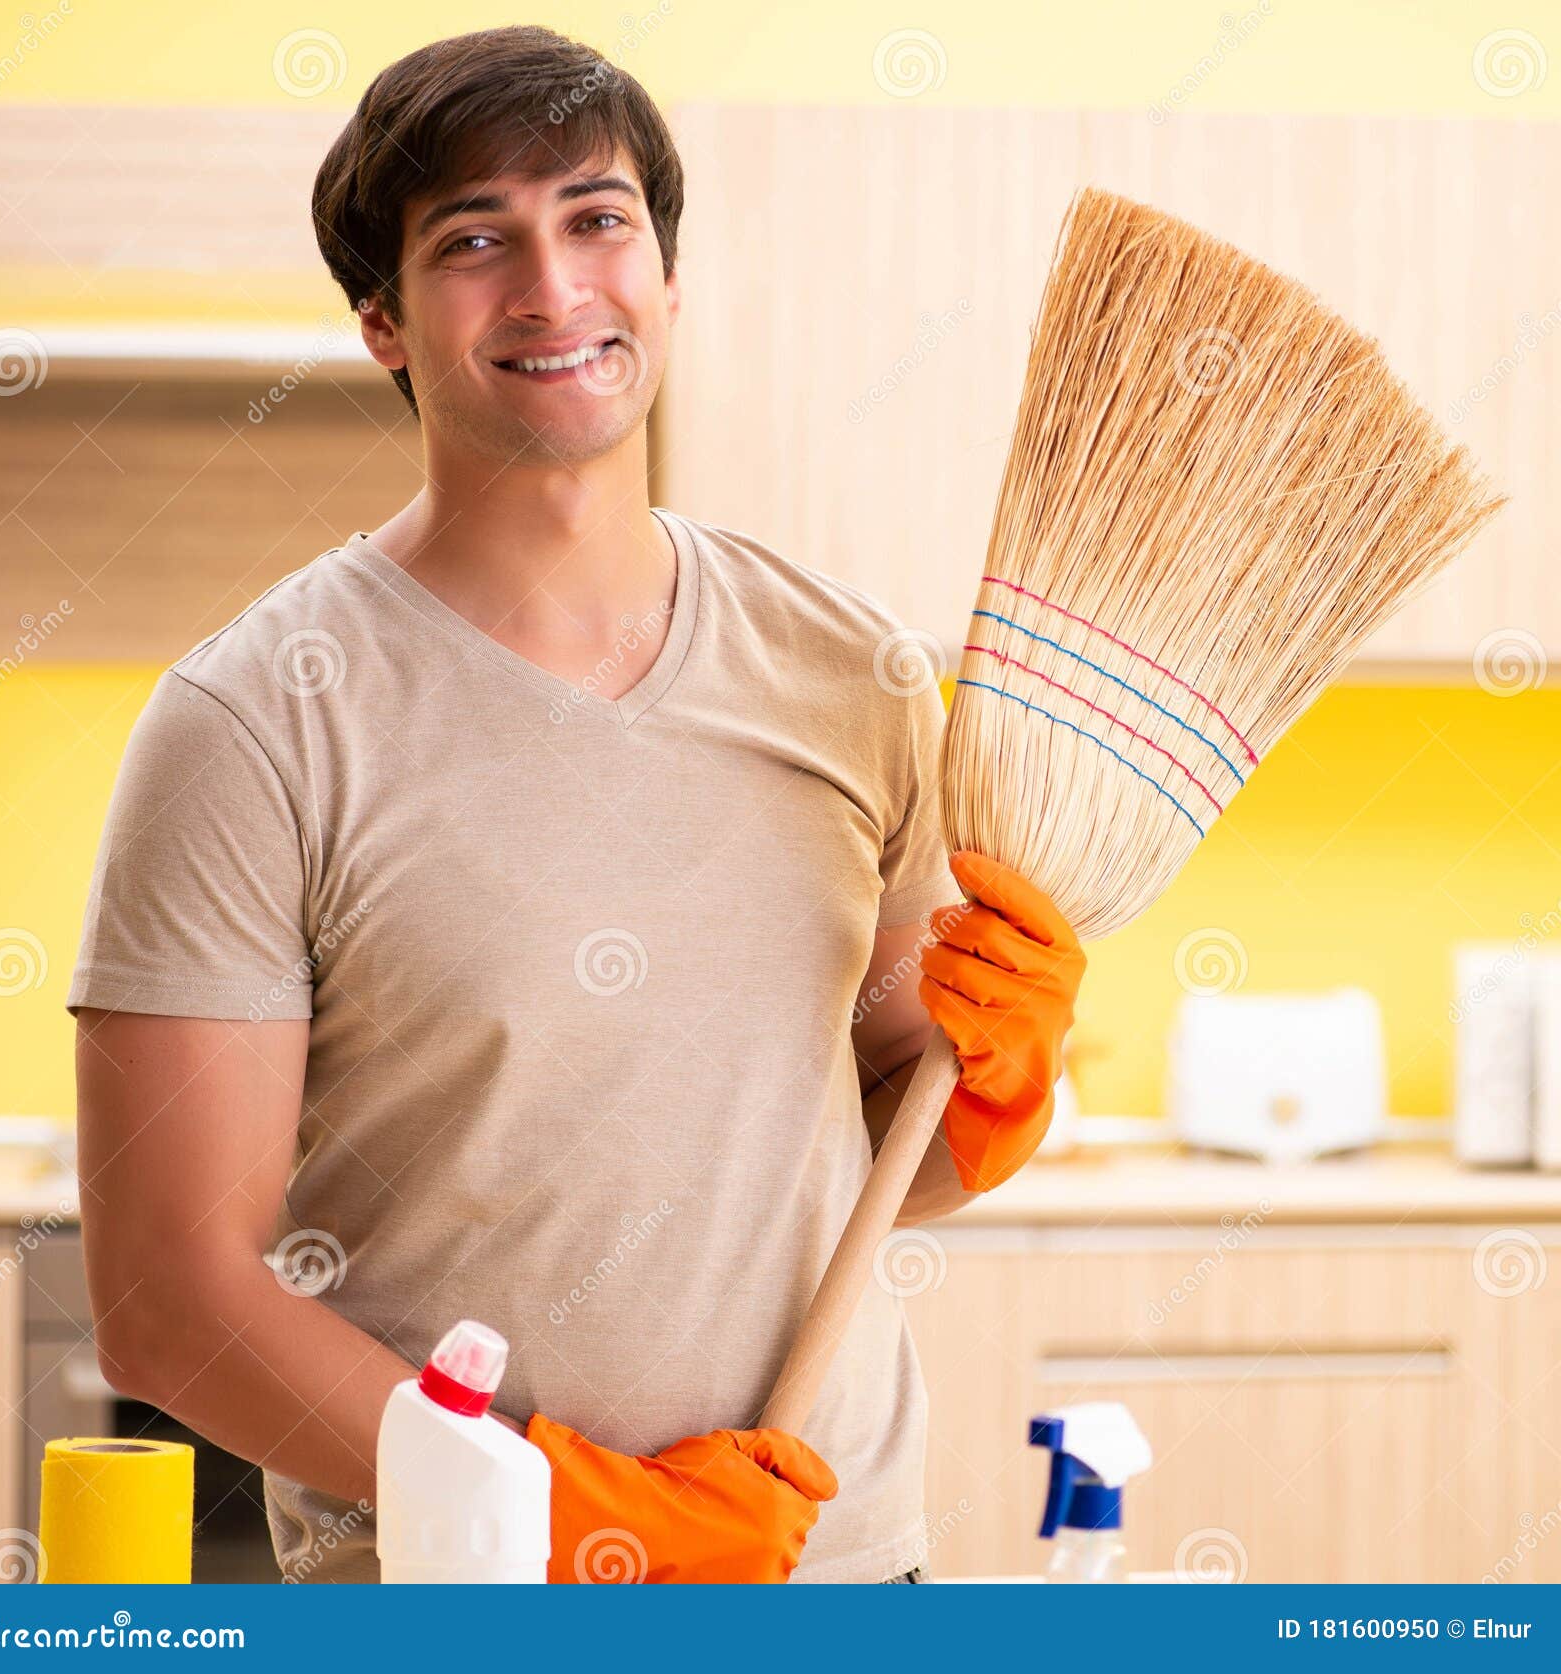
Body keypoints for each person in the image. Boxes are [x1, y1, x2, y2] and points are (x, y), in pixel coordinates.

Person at [68, 24, 1084, 1585]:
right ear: (384, 325)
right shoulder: (252, 723)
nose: (552, 287)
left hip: (834, 1568)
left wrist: (997, 1092)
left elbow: (887, 1149)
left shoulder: (857, 673)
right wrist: (566, 1513)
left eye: (596, 219)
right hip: (449, 1591)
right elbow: (169, 1297)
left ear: (668, 281)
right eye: (476, 241)